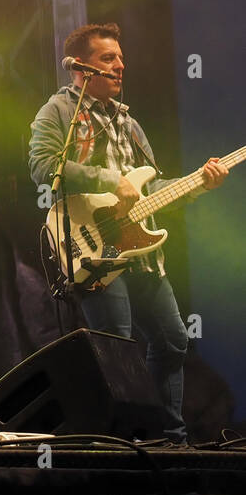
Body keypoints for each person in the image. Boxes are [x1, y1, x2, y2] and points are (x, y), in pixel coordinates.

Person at [28, 22, 228, 442]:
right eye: (109, 59)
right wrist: (106, 179)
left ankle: (169, 438)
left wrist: (196, 185)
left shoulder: (128, 123)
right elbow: (43, 167)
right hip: (95, 249)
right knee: (117, 350)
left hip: (141, 249)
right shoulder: (58, 112)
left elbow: (148, 187)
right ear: (81, 67)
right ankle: (125, 440)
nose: (121, 65)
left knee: (173, 340)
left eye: (120, 57)